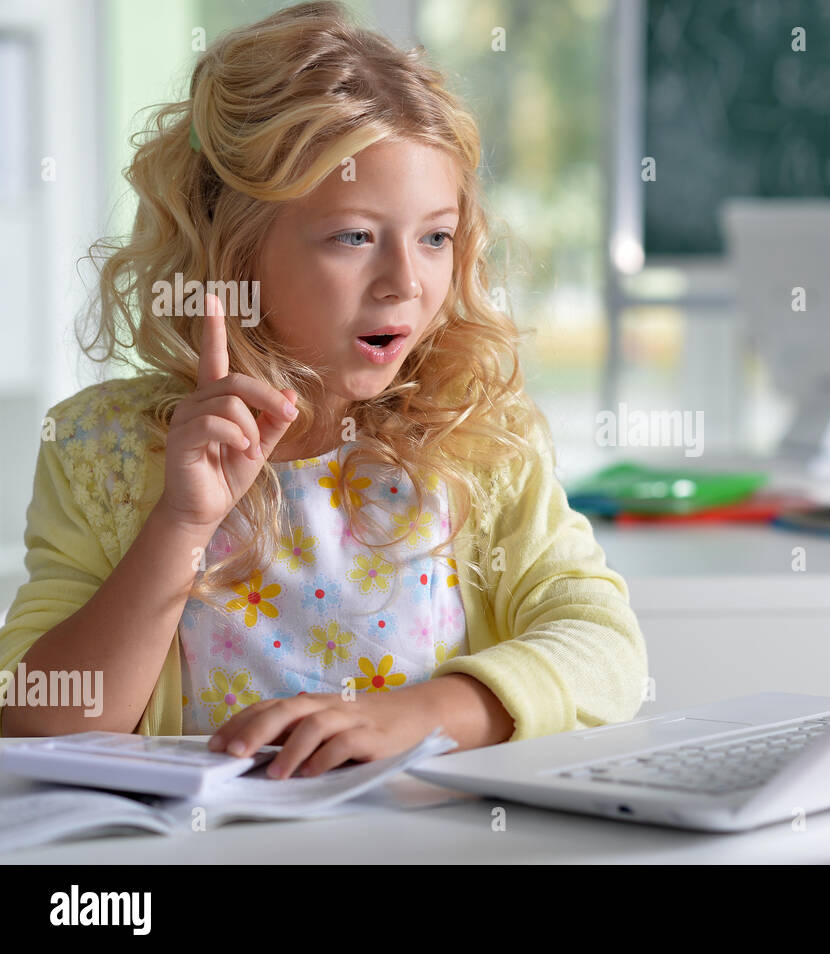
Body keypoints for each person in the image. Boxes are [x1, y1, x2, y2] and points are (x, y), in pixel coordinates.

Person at [0, 1, 647, 780]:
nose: (405, 282)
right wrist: (180, 524)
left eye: (435, 236)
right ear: (233, 247)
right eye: (354, 237)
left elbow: (605, 646)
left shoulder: (476, 438)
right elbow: (36, 713)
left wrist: (416, 714)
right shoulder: (101, 451)